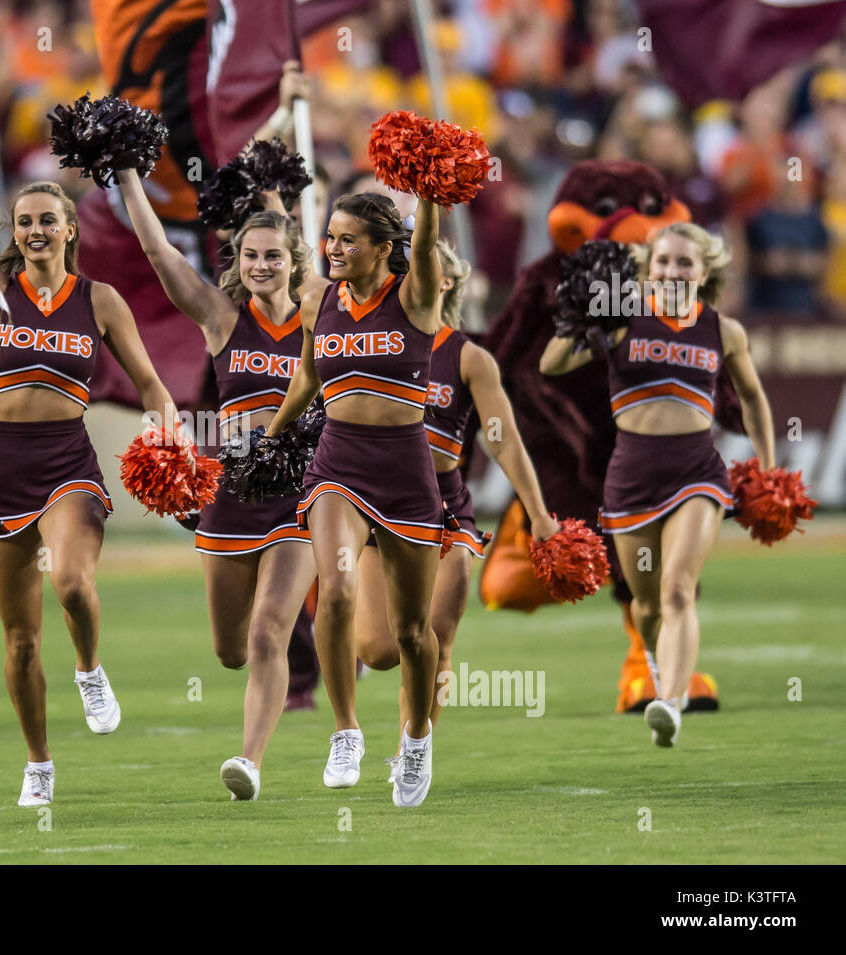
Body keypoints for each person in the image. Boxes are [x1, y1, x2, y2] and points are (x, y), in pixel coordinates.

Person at [120, 167, 326, 800]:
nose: (262, 265)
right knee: (232, 650)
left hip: (301, 495)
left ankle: (250, 762)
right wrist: (127, 172)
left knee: (271, 631)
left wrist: (278, 201)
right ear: (237, 261)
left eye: (273, 255)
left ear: (293, 261)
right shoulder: (220, 317)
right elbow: (158, 251)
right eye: (251, 255)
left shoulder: (322, 311)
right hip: (232, 497)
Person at [540, 222, 776, 746]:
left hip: (696, 474)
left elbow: (754, 398)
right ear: (649, 267)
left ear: (704, 271)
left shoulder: (722, 329)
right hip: (630, 478)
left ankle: (670, 700)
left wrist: (768, 464)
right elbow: (551, 364)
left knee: (677, 588)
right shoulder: (622, 318)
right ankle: (654, 659)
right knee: (645, 605)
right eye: (664, 261)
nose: (673, 271)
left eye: (684, 263)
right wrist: (581, 320)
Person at [0, 180, 179, 806]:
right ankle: (39, 764)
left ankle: (90, 669)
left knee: (70, 581)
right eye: (24, 221)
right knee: (19, 639)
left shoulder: (99, 300)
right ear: (13, 232)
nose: (35, 230)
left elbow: (150, 381)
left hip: (66, 462)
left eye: (47, 220)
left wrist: (170, 429)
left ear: (70, 228)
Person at [266, 191, 448, 807]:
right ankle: (346, 729)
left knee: (412, 633)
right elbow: (308, 377)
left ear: (383, 248)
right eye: (330, 238)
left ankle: (417, 738)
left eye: (348, 240)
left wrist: (429, 190)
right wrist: (269, 440)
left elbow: (424, 243)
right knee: (337, 590)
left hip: (404, 467)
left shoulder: (417, 294)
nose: (334, 249)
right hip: (337, 462)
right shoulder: (318, 298)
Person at [351, 238, 559, 736]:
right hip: (378, 504)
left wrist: (538, 512)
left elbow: (504, 441)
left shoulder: (469, 358)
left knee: (435, 638)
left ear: (446, 281)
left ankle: (413, 748)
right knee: (379, 650)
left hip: (442, 506)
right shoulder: (375, 341)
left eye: (426, 260)